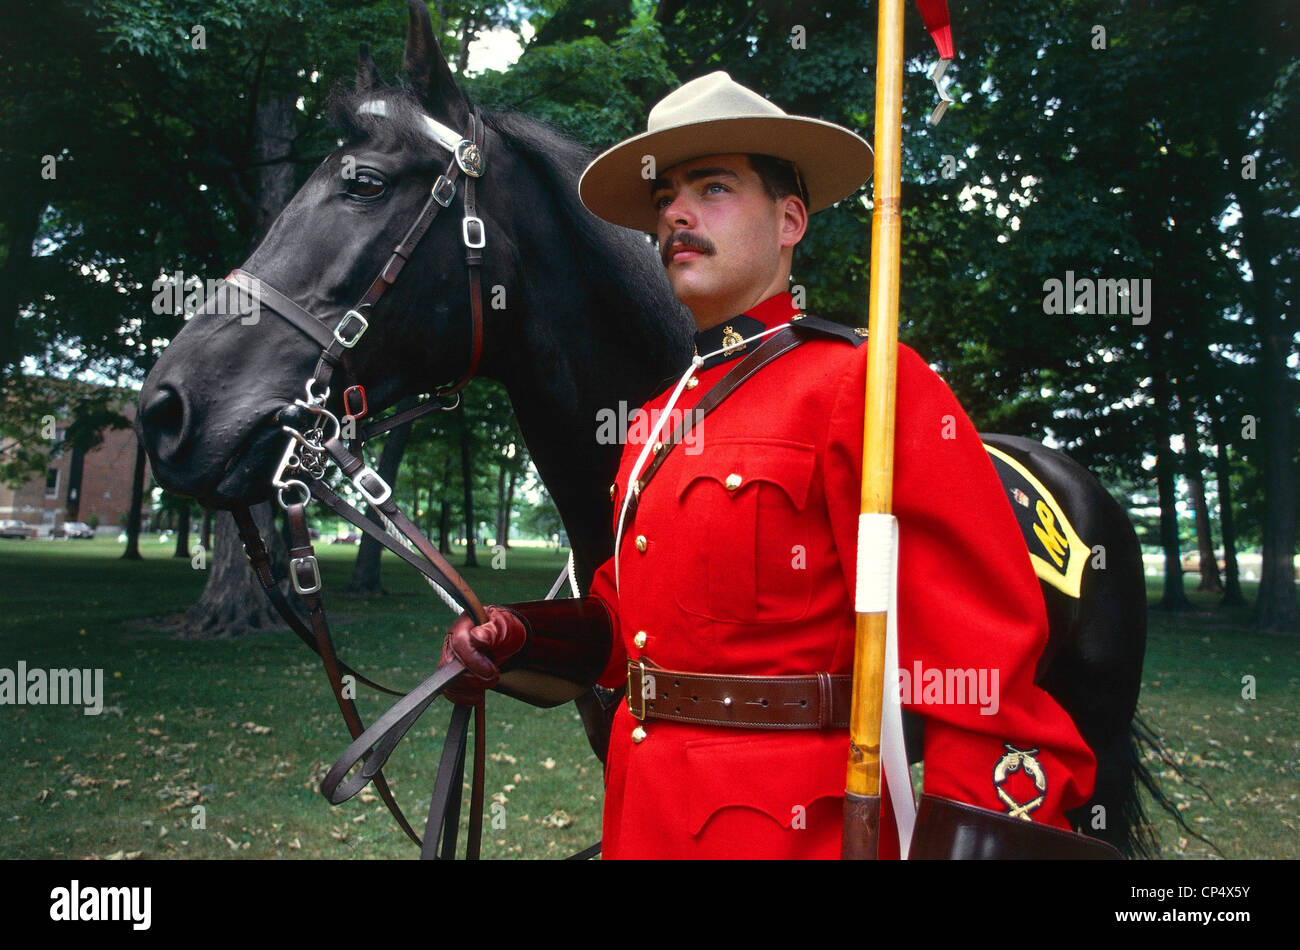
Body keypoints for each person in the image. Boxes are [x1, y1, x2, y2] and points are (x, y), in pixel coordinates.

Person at [440, 72, 1114, 859]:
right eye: (665, 201)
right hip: (644, 818)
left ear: (790, 219)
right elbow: (634, 632)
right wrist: (517, 634)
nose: (676, 215)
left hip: (795, 833)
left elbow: (981, 666)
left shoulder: (867, 386)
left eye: (713, 187)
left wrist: (974, 843)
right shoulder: (657, 419)